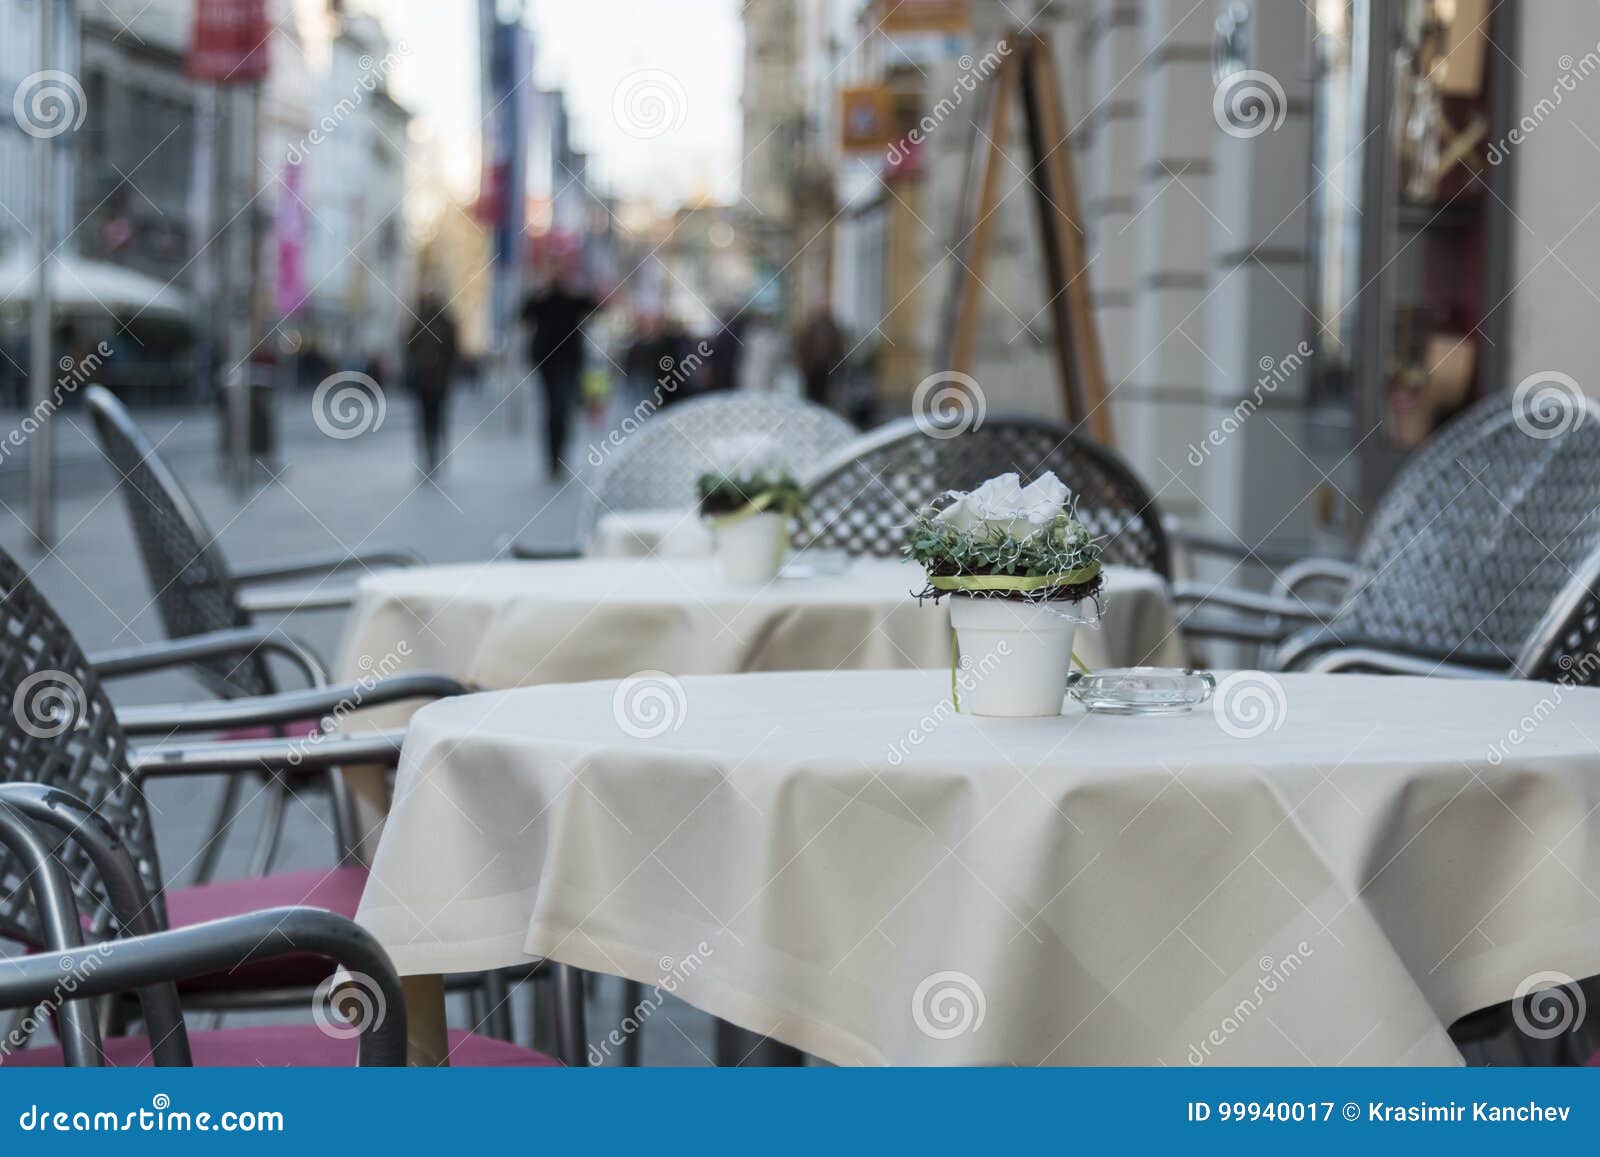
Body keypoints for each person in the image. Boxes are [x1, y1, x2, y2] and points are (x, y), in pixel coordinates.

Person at [520, 269, 598, 479]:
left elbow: (595, 305)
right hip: (550, 365)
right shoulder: (544, 301)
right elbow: (523, 313)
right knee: (556, 411)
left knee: (559, 411)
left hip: (566, 364)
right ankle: (554, 459)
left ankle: (557, 458)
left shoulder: (570, 301)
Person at [403, 293, 458, 479]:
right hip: (436, 381)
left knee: (427, 420)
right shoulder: (445, 323)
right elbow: (453, 353)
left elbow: (408, 348)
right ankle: (433, 455)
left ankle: (430, 456)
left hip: (428, 381)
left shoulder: (419, 322)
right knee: (436, 419)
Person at [795, 305, 845, 410]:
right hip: (818, 368)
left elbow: (801, 348)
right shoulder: (826, 328)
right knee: (819, 395)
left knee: (818, 395)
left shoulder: (812, 328)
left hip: (820, 368)